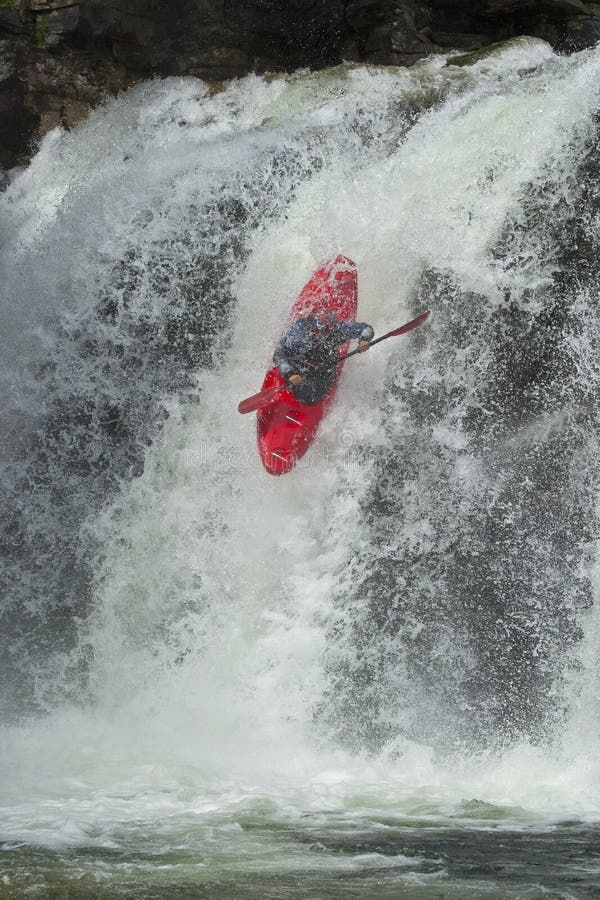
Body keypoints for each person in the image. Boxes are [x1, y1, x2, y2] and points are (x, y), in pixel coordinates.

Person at [273, 310, 374, 405]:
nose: (321, 335)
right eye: (318, 331)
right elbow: (279, 353)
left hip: (326, 364)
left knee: (312, 398)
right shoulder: (299, 335)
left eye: (325, 331)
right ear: (313, 328)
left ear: (331, 328)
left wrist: (364, 340)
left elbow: (366, 328)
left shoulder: (338, 329)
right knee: (300, 390)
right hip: (300, 361)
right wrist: (289, 373)